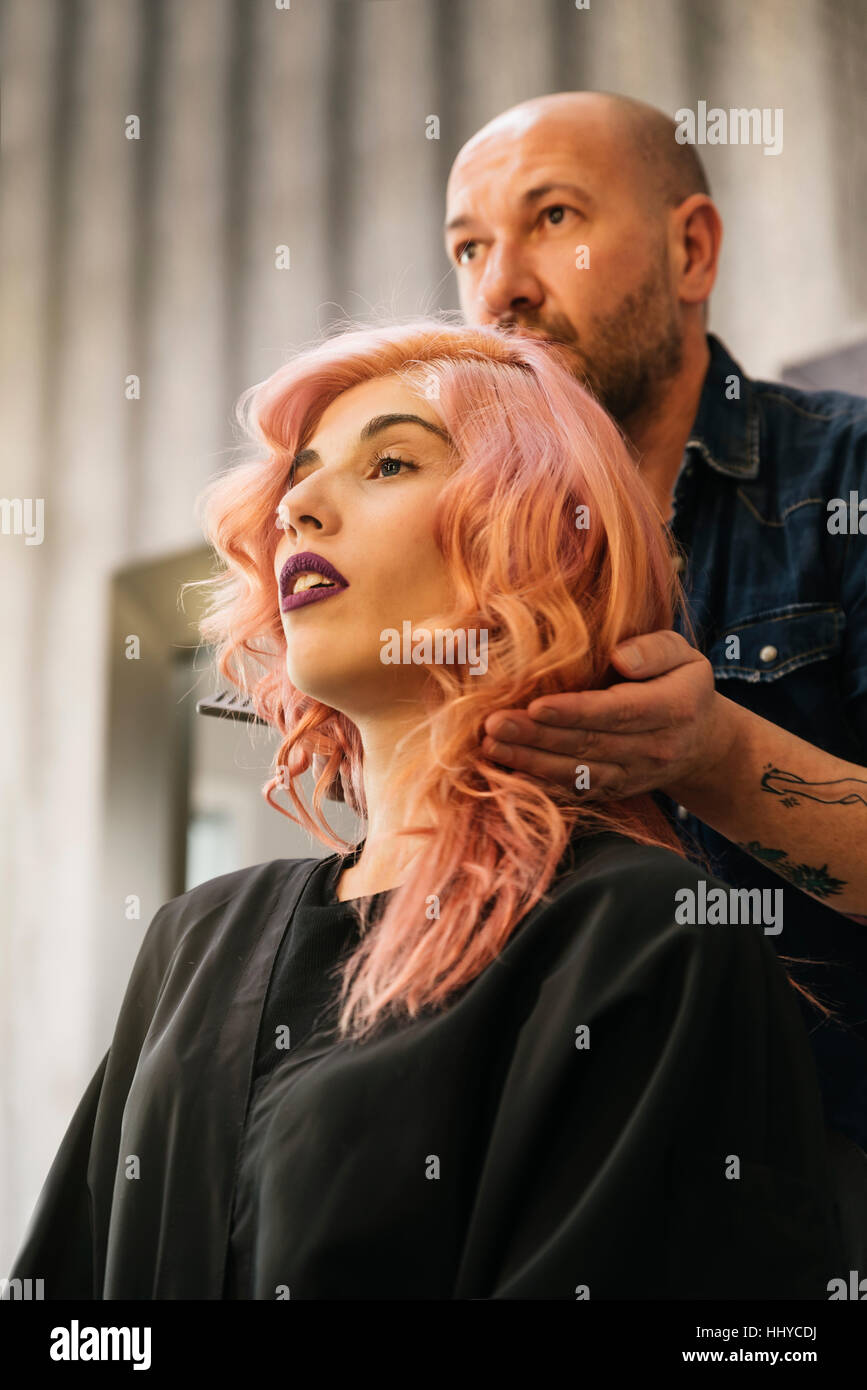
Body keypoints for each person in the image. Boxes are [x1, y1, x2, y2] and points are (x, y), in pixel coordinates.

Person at [6, 321, 851, 1299]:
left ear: (528, 539)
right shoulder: (193, 940)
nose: (300, 509)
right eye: (298, 476)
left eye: (390, 462)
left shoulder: (648, 937)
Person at [443, 91, 867, 1157]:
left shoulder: (848, 479)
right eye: (467, 247)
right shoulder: (467, 557)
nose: (500, 289)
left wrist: (714, 755)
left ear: (691, 250)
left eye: (553, 219)